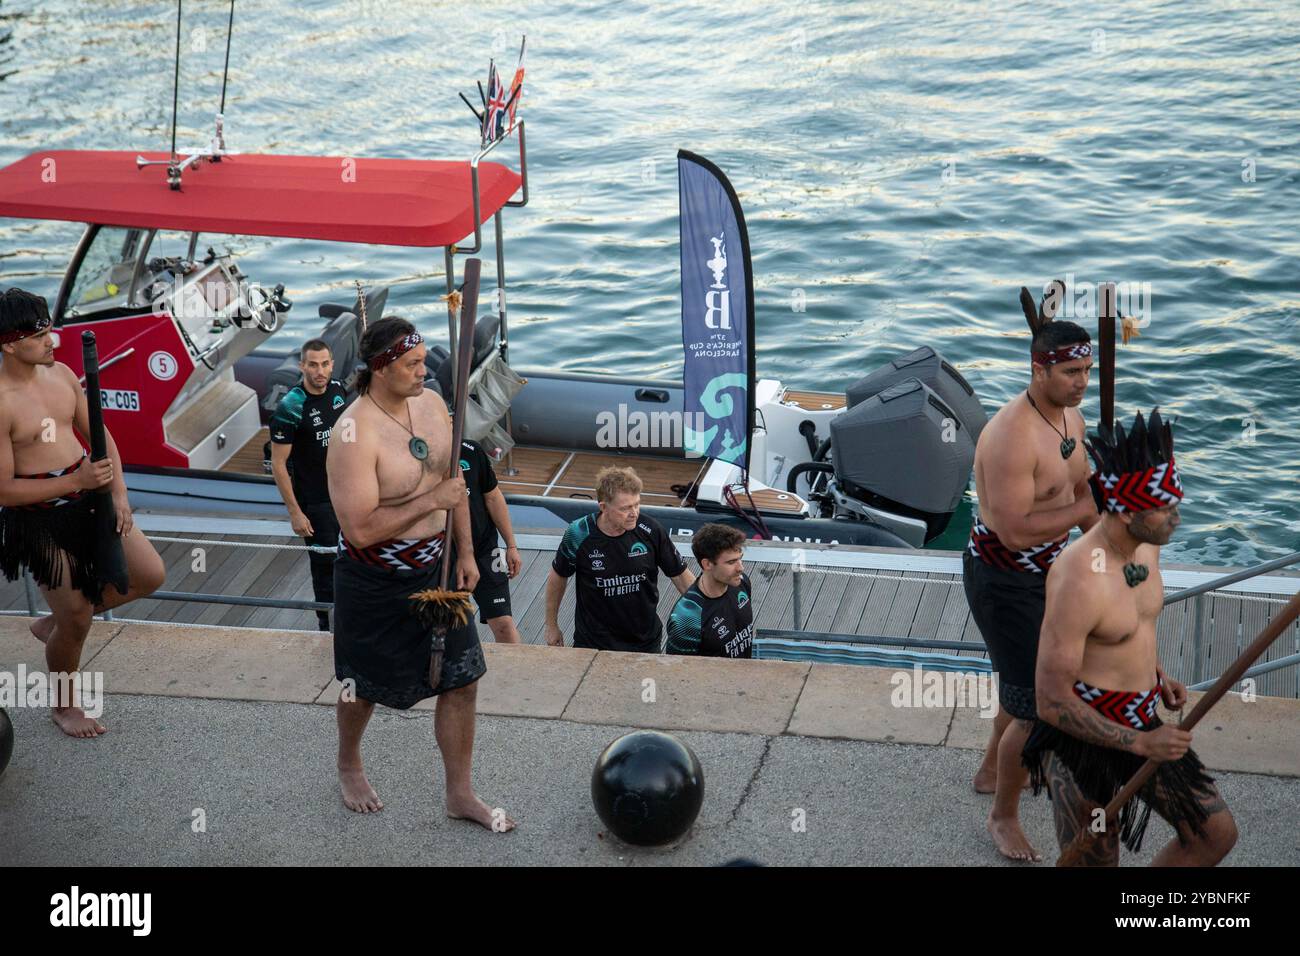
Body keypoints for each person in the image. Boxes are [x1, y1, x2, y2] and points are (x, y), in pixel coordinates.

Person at [1024, 408, 1237, 866]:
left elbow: (1130, 623)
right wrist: (1140, 745)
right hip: (1081, 735)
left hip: (1142, 715)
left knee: (1215, 834)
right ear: (1123, 512)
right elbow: (1050, 700)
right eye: (1164, 509)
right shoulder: (1078, 577)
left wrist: (1155, 672)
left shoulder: (1149, 544)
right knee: (1097, 857)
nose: (1175, 519)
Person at [327, 315, 512, 830]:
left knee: (463, 679)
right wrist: (433, 498)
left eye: (423, 359)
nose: (423, 370)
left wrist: (468, 554)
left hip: (437, 567)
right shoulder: (353, 433)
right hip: (373, 577)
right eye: (411, 364)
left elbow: (456, 483)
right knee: (359, 686)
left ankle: (460, 794)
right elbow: (360, 529)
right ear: (380, 369)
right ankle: (348, 762)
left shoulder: (430, 405)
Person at [961, 283, 1100, 862]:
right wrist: (1089, 512)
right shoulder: (1011, 437)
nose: (1081, 383)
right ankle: (1003, 818)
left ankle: (993, 770)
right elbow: (1015, 529)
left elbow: (1084, 484)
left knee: (1020, 687)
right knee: (1032, 704)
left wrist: (1104, 543)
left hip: (1052, 570)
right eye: (1071, 373)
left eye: (1087, 371)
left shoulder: (1071, 417)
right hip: (1003, 578)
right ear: (1039, 370)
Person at [0, 288, 164, 737]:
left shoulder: (64, 374)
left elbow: (100, 434)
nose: (53, 340)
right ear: (10, 343)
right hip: (38, 516)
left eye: (51, 327)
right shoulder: (1, 401)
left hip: (93, 496)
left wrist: (119, 493)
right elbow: (4, 491)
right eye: (40, 334)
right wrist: (77, 482)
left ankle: (57, 622)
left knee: (149, 575)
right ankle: (64, 705)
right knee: (78, 620)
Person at [544, 466, 694, 651]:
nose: (634, 513)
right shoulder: (578, 533)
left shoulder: (651, 529)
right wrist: (551, 625)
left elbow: (680, 575)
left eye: (637, 504)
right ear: (604, 507)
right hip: (593, 644)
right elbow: (558, 576)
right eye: (625, 508)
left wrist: (705, 612)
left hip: (644, 642)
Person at [269, 339, 348, 631]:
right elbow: (278, 465)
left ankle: (354, 621)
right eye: (313, 365)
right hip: (316, 503)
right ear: (302, 366)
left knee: (353, 561)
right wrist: (295, 513)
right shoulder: (290, 406)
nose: (320, 371)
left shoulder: (339, 390)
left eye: (325, 364)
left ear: (332, 364)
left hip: (347, 495)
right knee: (326, 569)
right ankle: (327, 629)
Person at [458, 436, 523, 642]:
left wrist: (511, 545)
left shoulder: (471, 450)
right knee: (450, 626)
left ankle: (515, 673)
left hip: (486, 550)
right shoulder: (419, 457)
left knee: (504, 624)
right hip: (444, 555)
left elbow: (493, 497)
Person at [666, 523, 754, 658]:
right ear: (707, 564)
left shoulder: (742, 582)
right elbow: (678, 673)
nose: (740, 568)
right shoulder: (687, 619)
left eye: (740, 559)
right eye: (731, 562)